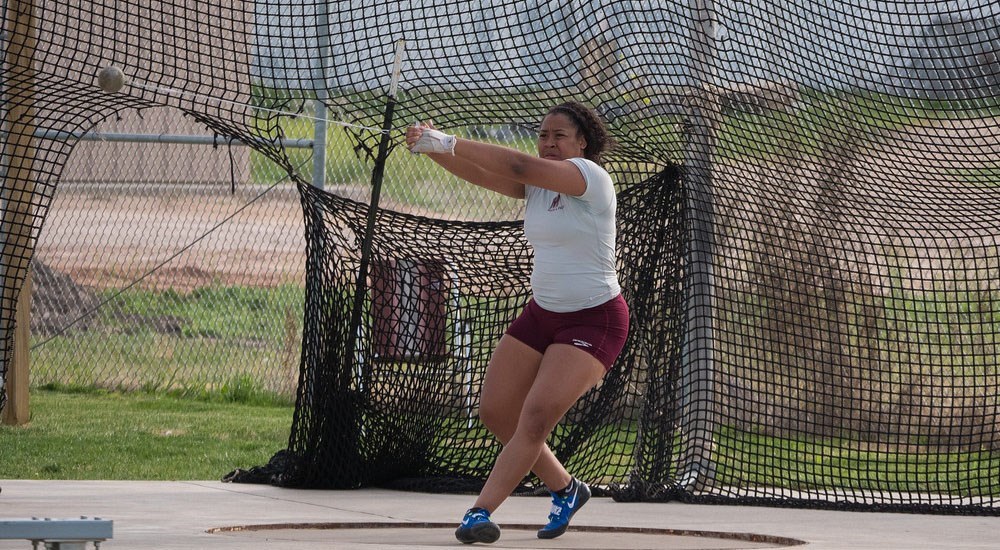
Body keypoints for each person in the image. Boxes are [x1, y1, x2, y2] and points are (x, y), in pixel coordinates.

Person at [405, 102, 629, 545]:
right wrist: (432, 149)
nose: (548, 143)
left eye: (559, 135)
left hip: (594, 319)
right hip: (542, 313)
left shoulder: (590, 177)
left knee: (534, 419)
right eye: (543, 135)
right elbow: (484, 174)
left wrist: (449, 140)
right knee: (496, 412)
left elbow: (515, 163)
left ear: (582, 142)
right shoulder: (538, 186)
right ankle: (567, 489)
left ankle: (479, 512)